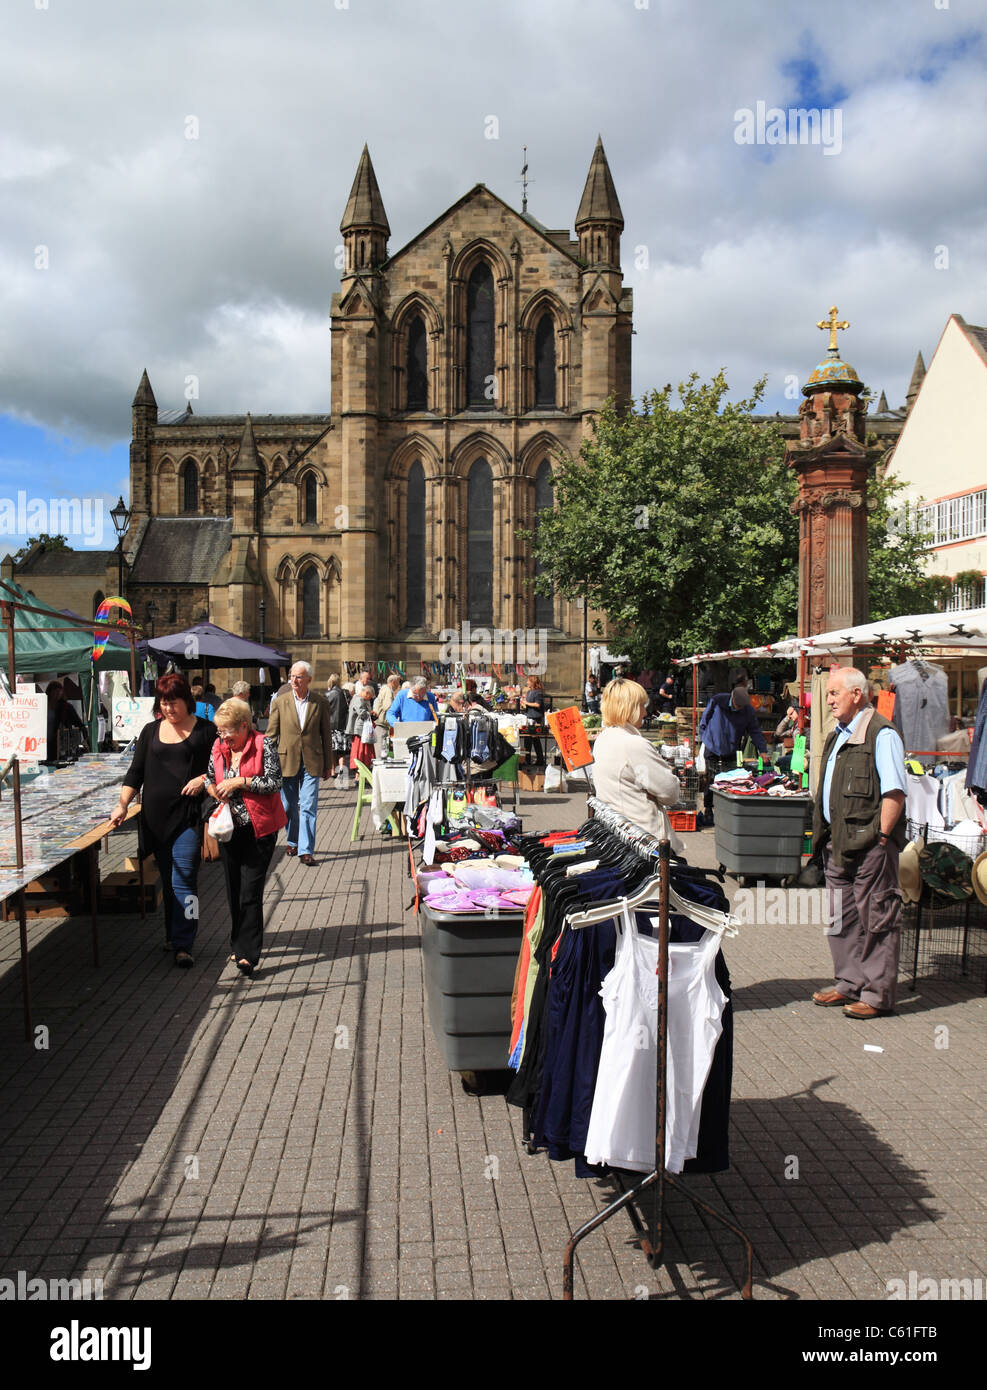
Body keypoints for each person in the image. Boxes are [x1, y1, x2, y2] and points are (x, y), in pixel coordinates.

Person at [811, 667, 907, 1019]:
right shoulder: (838, 735)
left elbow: (894, 792)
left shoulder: (882, 733)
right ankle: (849, 983)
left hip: (870, 846)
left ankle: (877, 995)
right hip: (837, 844)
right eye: (828, 694)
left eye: (834, 693)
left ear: (856, 694)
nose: (829, 700)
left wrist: (881, 838)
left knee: (877, 918)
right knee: (842, 918)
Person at [108, 673, 214, 967]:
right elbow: (135, 772)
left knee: (185, 879)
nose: (169, 708)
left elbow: (221, 767)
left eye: (174, 702)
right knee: (168, 881)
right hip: (155, 820)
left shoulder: (205, 731)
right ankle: (172, 935)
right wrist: (122, 805)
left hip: (188, 817)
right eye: (164, 703)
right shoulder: (150, 731)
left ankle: (185, 943)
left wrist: (203, 779)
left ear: (186, 701)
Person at [205, 698, 286, 977]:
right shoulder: (218, 746)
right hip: (229, 828)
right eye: (220, 731)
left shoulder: (264, 744)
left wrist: (240, 781)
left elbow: (274, 782)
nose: (223, 737)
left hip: (259, 828)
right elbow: (208, 777)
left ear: (243, 726)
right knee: (233, 889)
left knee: (250, 891)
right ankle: (237, 942)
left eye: (227, 731)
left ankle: (248, 954)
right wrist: (214, 790)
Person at [591, 678, 683, 850]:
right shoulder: (634, 744)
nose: (645, 712)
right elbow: (670, 792)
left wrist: (648, 788)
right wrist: (653, 789)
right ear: (629, 708)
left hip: (619, 833)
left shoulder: (603, 739)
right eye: (641, 706)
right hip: (643, 838)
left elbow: (640, 780)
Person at [265, 661, 334, 866]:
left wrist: (328, 764)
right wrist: (267, 763)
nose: (294, 680)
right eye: (292, 676)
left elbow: (326, 735)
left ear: (309, 680)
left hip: (312, 761)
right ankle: (293, 840)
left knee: (308, 805)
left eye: (299, 677)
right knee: (288, 806)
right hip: (286, 760)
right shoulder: (280, 702)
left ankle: (305, 851)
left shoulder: (320, 702)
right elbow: (271, 735)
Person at [698, 684, 768, 823]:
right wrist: (705, 736)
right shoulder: (718, 701)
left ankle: (725, 811)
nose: (739, 709)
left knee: (730, 781)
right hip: (712, 745)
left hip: (731, 748)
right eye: (737, 706)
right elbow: (705, 719)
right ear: (732, 699)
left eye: (742, 707)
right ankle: (708, 809)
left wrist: (763, 750)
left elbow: (755, 730)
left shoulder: (748, 711)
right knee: (711, 779)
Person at [44, 680, 87, 763]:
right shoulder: (42, 705)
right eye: (55, 691)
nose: (57, 694)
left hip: (60, 743)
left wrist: (86, 739)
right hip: (43, 742)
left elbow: (79, 723)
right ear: (50, 692)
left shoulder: (66, 707)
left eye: (59, 691)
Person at [325, 674, 350, 776]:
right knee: (341, 750)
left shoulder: (327, 694)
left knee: (332, 750)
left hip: (330, 726)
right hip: (343, 725)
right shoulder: (345, 693)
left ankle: (332, 771)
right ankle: (341, 768)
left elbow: (324, 710)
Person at [349, 685, 377, 773]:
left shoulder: (358, 699)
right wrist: (370, 713)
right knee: (360, 752)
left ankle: (360, 774)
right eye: (370, 697)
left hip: (360, 730)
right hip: (359, 730)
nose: (369, 699)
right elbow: (361, 712)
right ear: (366, 693)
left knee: (362, 752)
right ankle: (359, 774)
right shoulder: (359, 699)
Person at [521, 674, 548, 767]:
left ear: (533, 682)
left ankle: (540, 759)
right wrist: (524, 704)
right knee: (527, 739)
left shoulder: (538, 693)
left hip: (536, 718)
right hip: (529, 717)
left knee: (535, 739)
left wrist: (527, 703)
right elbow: (528, 703)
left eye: (528, 681)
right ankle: (527, 759)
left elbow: (537, 704)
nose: (527, 682)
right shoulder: (529, 692)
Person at [373, 673, 403, 752]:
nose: (399, 685)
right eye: (398, 682)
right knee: (380, 749)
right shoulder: (388, 690)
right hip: (382, 724)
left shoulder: (385, 689)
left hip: (381, 723)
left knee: (382, 748)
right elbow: (388, 706)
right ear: (393, 682)